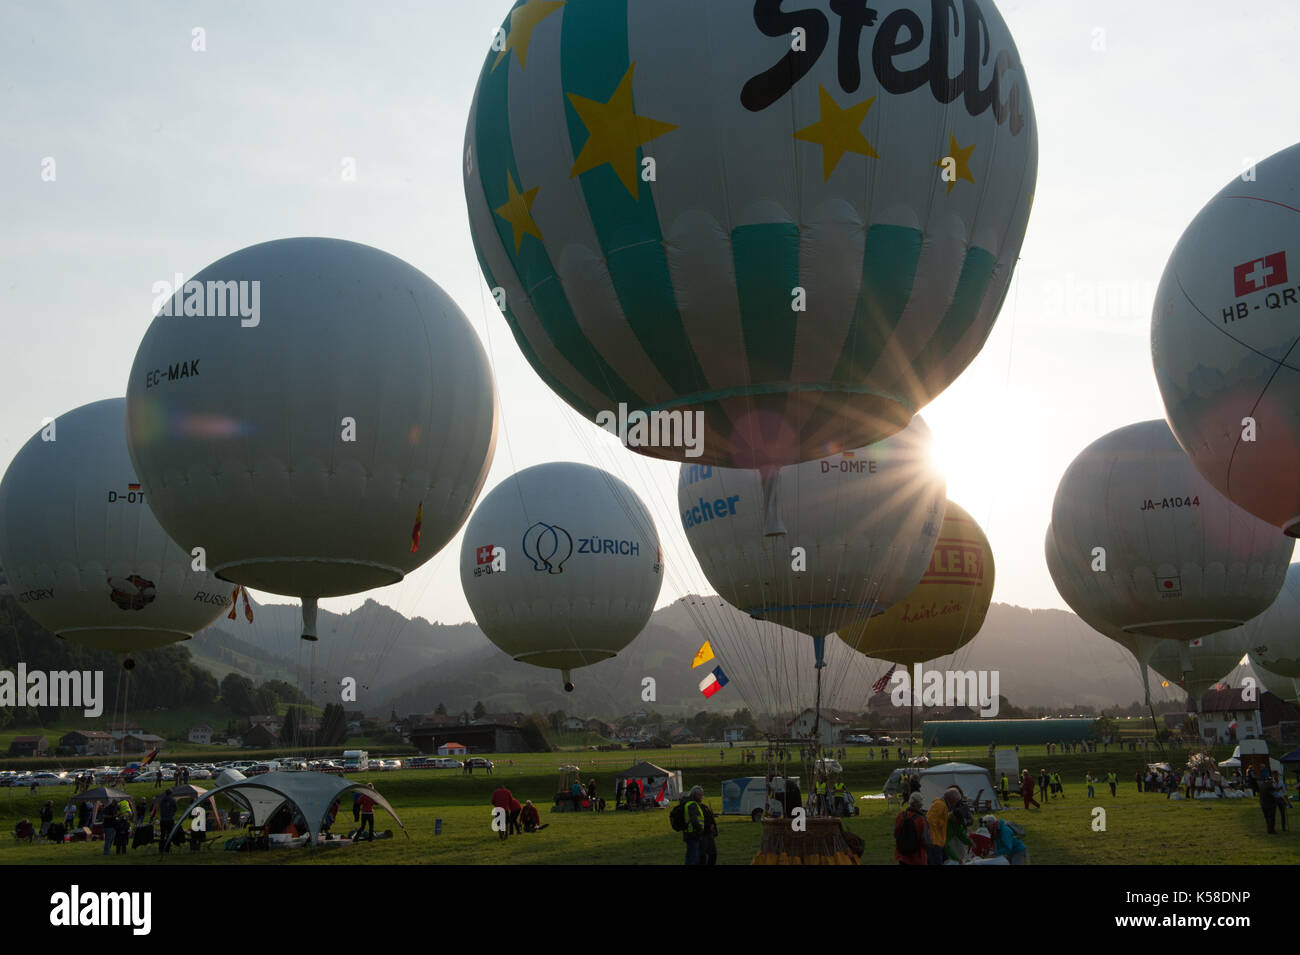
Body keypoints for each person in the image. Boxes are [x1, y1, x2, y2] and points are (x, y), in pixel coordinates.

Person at [894, 792, 929, 865]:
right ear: (920, 804)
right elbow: (926, 840)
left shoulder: (900, 815)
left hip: (902, 855)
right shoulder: (921, 819)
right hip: (918, 856)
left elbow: (895, 833)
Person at [682, 786, 706, 865]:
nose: (702, 796)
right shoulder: (692, 805)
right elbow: (694, 820)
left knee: (690, 855)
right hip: (693, 833)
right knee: (694, 856)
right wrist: (700, 829)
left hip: (690, 833)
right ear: (696, 795)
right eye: (700, 795)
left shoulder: (691, 803)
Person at [700, 796, 719, 865]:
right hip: (703, 834)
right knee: (703, 856)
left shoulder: (704, 807)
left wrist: (714, 828)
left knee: (713, 854)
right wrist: (708, 826)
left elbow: (711, 818)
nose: (702, 796)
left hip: (709, 833)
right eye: (701, 795)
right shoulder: (694, 807)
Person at [158, 788, 177, 854]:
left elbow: (160, 808)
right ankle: (167, 849)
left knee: (162, 834)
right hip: (170, 819)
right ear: (171, 793)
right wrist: (172, 813)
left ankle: (160, 848)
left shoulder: (162, 800)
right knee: (169, 834)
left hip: (163, 819)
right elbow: (175, 809)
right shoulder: (173, 800)